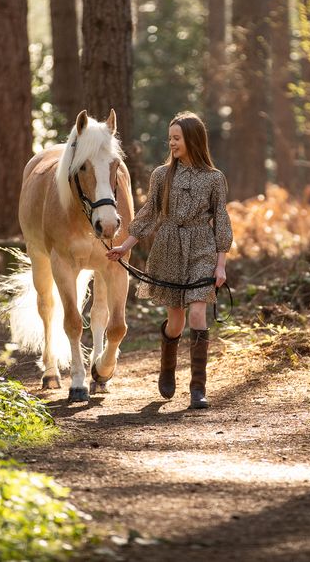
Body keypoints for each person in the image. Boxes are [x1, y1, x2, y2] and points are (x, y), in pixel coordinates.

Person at [106, 112, 233, 409]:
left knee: (198, 313)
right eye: (170, 138)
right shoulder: (161, 175)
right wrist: (124, 246)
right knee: (176, 321)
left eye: (177, 138)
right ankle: (167, 367)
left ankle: (198, 389)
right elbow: (149, 215)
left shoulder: (215, 179)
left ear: (192, 140)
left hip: (202, 248)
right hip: (169, 249)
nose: (172, 143)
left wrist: (220, 265)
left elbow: (222, 221)